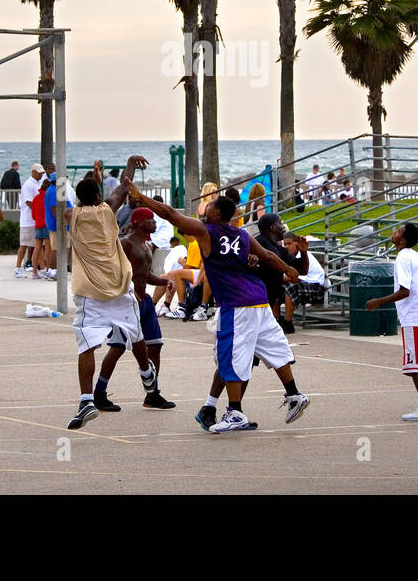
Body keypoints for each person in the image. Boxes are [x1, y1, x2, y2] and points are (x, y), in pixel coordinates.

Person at [127, 182, 309, 434]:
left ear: (216, 214)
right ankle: (294, 394)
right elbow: (268, 257)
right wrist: (288, 268)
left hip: (236, 304)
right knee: (274, 349)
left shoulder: (206, 231)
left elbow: (169, 213)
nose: (206, 207)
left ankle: (235, 412)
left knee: (229, 357)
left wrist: (142, 198)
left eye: (210, 205)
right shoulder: (242, 235)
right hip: (259, 300)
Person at [65, 156, 168, 429]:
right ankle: (147, 373)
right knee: (136, 336)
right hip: (121, 289)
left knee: (87, 346)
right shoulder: (109, 210)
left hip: (90, 293)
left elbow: (71, 205)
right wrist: (131, 163)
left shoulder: (71, 216)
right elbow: (123, 186)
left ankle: (86, 400)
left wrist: (82, 188)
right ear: (99, 196)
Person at [91, 208, 176, 412]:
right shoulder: (126, 243)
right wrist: (125, 291)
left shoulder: (147, 245)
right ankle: (99, 394)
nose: (155, 223)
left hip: (144, 302)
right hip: (126, 304)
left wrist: (164, 281)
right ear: (138, 222)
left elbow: (144, 275)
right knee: (118, 347)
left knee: (155, 345)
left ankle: (152, 393)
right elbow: (112, 271)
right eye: (150, 220)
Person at [364, 222, 418, 421]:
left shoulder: (404, 257)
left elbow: (405, 291)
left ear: (402, 240)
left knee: (414, 365)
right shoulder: (416, 256)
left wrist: (379, 301)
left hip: (413, 317)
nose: (393, 232)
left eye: (397, 231)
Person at [254, 213, 307, 334]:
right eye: (280, 223)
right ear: (272, 227)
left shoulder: (279, 249)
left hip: (267, 301)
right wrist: (287, 269)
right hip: (255, 300)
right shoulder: (260, 242)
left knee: (263, 339)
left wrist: (303, 253)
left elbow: (302, 270)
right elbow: (269, 258)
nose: (283, 227)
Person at [15, 163, 45, 277]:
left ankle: (42, 269)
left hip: (35, 220)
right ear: (33, 172)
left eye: (42, 173)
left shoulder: (38, 183)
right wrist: (39, 210)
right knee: (24, 245)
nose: (41, 175)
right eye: (39, 173)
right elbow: (28, 202)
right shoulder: (28, 184)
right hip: (27, 220)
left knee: (39, 246)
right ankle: (18, 268)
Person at [31, 176, 52, 279]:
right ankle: (47, 269)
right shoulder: (48, 197)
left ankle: (34, 271)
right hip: (47, 224)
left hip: (38, 224)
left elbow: (33, 214)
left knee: (37, 248)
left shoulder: (35, 198)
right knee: (48, 248)